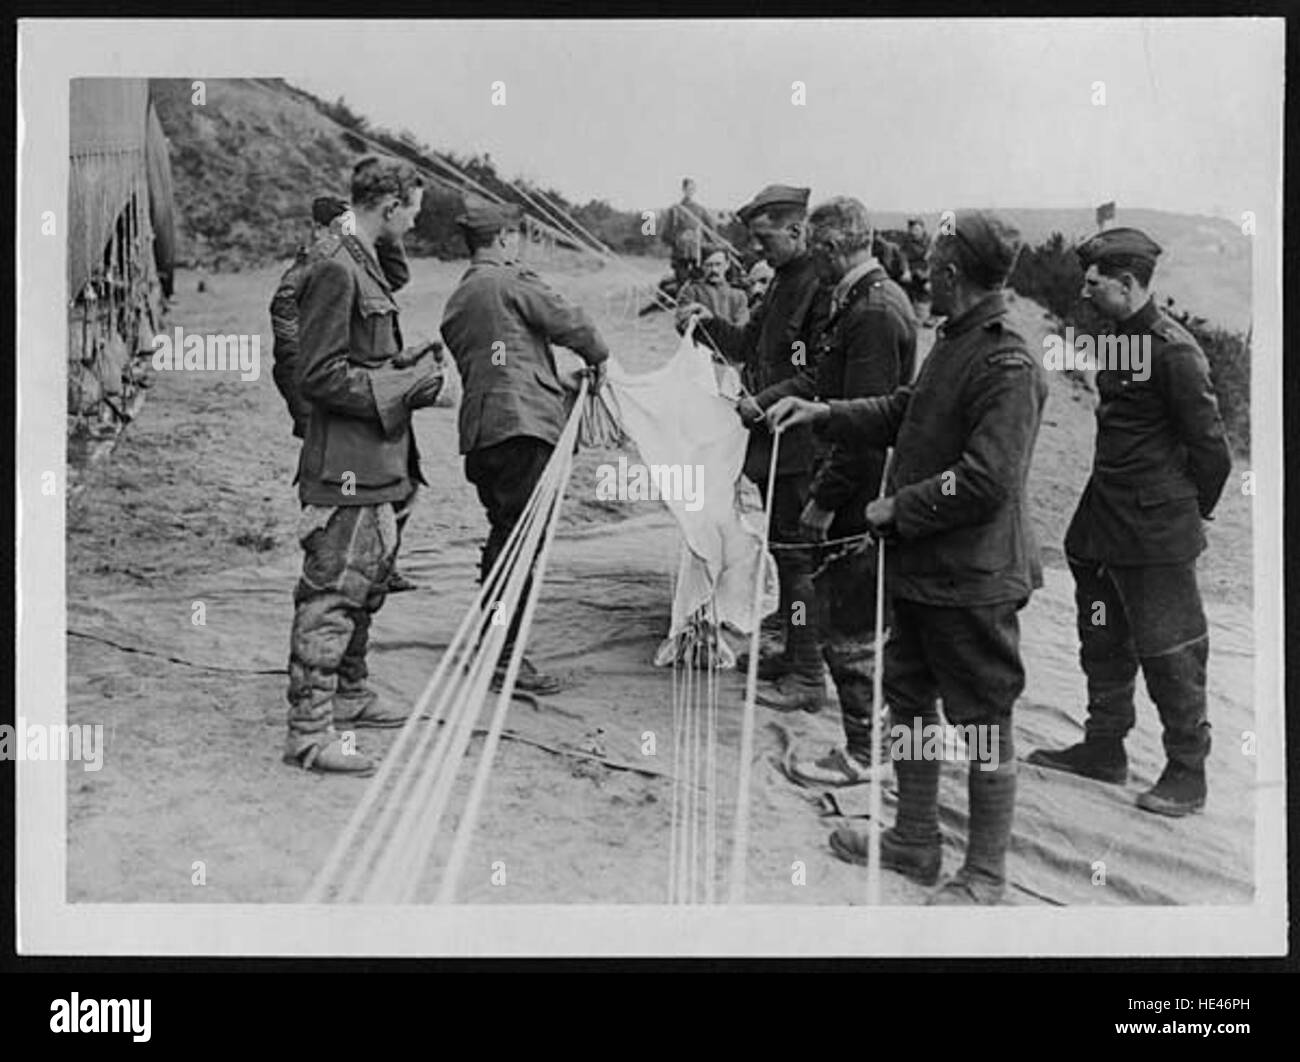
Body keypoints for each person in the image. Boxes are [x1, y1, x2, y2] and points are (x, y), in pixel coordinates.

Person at [768, 210, 1048, 904]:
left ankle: (984, 875)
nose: (925, 280)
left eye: (934, 269)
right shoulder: (956, 340)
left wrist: (899, 506)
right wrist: (825, 413)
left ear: (954, 273)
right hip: (925, 570)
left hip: (973, 577)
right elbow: (906, 410)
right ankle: (915, 840)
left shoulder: (1007, 357)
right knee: (911, 704)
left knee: (983, 725)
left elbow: (987, 477)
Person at [1026, 227, 1232, 818]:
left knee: (1171, 650)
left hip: (1154, 532)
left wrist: (1191, 515)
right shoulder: (1119, 339)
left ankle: (1187, 773)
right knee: (1101, 632)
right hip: (1102, 523)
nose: (1086, 293)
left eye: (1095, 284)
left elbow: (1210, 449)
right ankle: (1104, 746)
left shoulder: (1175, 351)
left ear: (1128, 283)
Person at [284, 157, 444, 776]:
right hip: (346, 463)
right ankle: (309, 733)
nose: (417, 219)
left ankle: (348, 694)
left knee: (367, 584)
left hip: (378, 460)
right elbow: (319, 374)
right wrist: (407, 387)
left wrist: (405, 361)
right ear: (391, 204)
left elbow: (359, 355)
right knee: (333, 590)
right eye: (414, 208)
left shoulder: (363, 259)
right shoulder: (335, 265)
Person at [440, 202, 610, 695]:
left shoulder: (460, 297)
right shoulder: (510, 280)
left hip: (482, 435)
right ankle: (503, 658)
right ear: (503, 240)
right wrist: (598, 358)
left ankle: (494, 648)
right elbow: (571, 322)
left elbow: (501, 358)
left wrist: (553, 378)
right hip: (523, 430)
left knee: (504, 536)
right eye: (514, 237)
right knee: (520, 548)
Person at [677, 184, 831, 713]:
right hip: (773, 445)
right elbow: (746, 347)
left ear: (797, 229)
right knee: (785, 552)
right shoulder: (785, 281)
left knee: (798, 557)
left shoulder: (820, 287)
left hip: (802, 443)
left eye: (766, 241)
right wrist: (705, 325)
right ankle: (792, 651)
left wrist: (762, 403)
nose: (758, 254)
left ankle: (808, 673)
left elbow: (819, 373)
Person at [787, 196, 918, 785]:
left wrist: (825, 498)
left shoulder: (872, 312)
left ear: (833, 247)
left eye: (817, 249)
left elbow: (864, 426)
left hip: (855, 491)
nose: (813, 261)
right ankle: (874, 741)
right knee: (853, 618)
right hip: (851, 485)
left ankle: (866, 752)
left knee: (850, 625)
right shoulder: (863, 302)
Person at [270, 193, 422, 592]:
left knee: (397, 482)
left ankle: (380, 567)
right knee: (333, 494)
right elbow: (289, 350)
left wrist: (388, 232)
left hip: (348, 392)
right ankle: (338, 569)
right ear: (325, 226)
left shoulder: (355, 259)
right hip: (322, 395)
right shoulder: (315, 267)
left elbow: (398, 277)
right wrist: (304, 411)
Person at [660, 177, 715, 292]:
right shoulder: (675, 210)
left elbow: (711, 229)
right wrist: (676, 241)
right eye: (687, 189)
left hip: (697, 251)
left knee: (698, 280)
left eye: (692, 189)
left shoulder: (700, 209)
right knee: (682, 282)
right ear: (683, 190)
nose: (689, 191)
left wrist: (708, 243)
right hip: (680, 251)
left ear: (694, 190)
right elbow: (666, 233)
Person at [677, 246, 749, 327]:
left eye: (718, 264)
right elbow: (681, 321)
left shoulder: (739, 295)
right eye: (709, 265)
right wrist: (696, 311)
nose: (714, 270)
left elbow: (742, 327)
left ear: (727, 265)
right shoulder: (692, 291)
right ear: (701, 266)